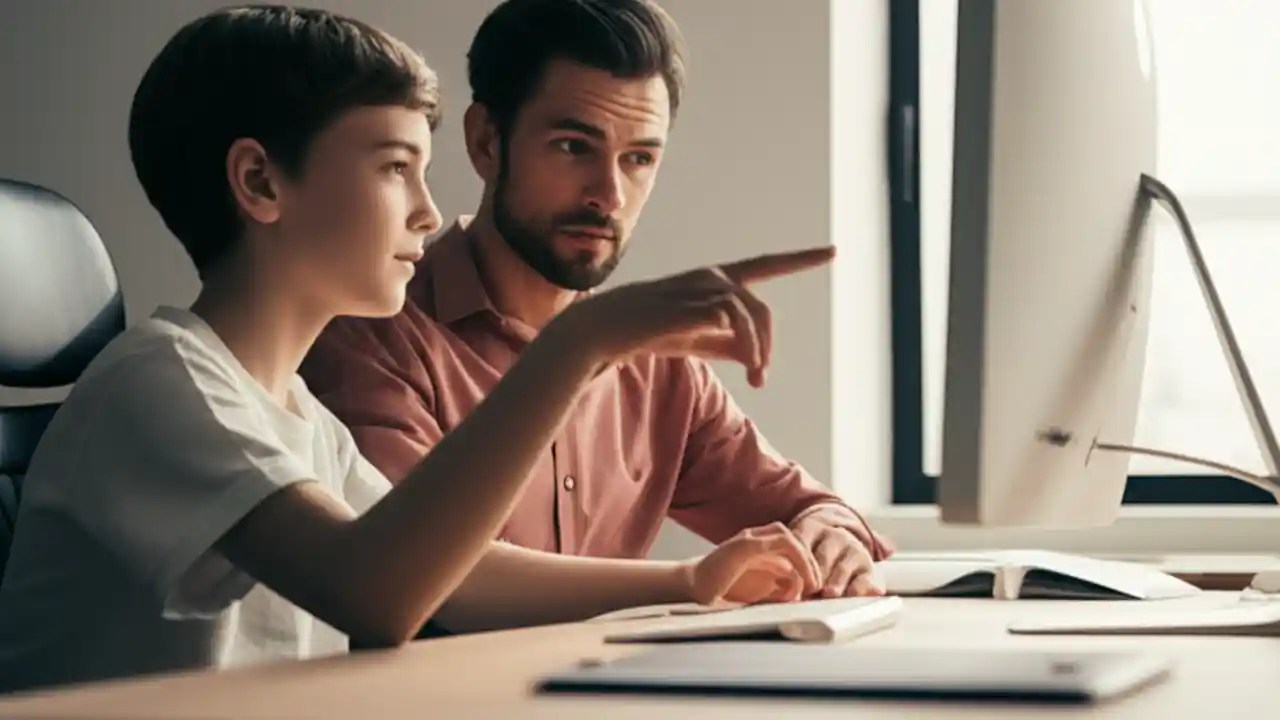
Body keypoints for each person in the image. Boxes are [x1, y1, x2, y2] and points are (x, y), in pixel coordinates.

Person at [0, 5, 832, 692]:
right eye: (396, 169)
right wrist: (579, 342)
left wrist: (689, 583)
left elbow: (457, 579)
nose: (430, 213)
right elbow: (376, 593)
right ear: (259, 182)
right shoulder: (159, 384)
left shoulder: (299, 416)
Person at [301, 0, 893, 636]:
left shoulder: (660, 367)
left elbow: (807, 506)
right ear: (486, 142)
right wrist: (688, 581)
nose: (608, 195)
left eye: (639, 159)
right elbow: (425, 580)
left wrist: (830, 535)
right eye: (573, 146)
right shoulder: (368, 337)